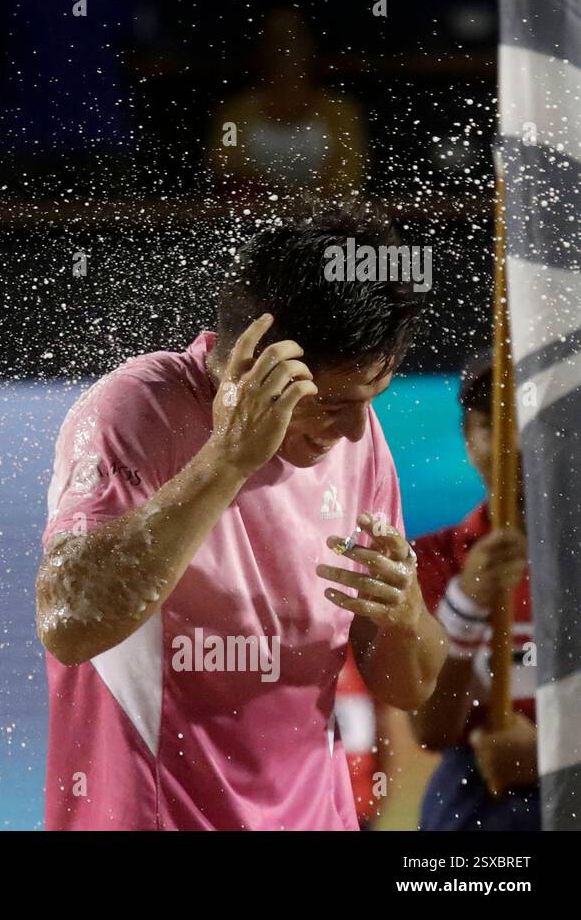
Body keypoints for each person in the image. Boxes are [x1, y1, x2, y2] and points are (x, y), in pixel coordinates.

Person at [35, 202, 445, 830]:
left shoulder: (360, 440)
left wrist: (408, 614)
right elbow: (69, 622)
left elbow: (406, 688)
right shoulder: (137, 409)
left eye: (372, 400)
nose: (357, 427)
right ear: (256, 364)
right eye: (334, 402)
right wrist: (227, 460)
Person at [411, 357, 537, 830]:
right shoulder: (433, 559)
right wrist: (466, 603)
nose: (515, 443)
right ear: (468, 441)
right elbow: (431, 728)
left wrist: (553, 754)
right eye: (493, 424)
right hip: (480, 792)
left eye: (530, 418)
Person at [208, 9, 366, 198]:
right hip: (256, 217)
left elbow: (349, 175)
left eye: (294, 38)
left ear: (310, 45)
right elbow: (223, 166)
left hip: (323, 219)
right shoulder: (234, 113)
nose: (284, 48)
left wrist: (308, 203)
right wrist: (272, 196)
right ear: (261, 47)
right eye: (275, 39)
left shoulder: (340, 111)